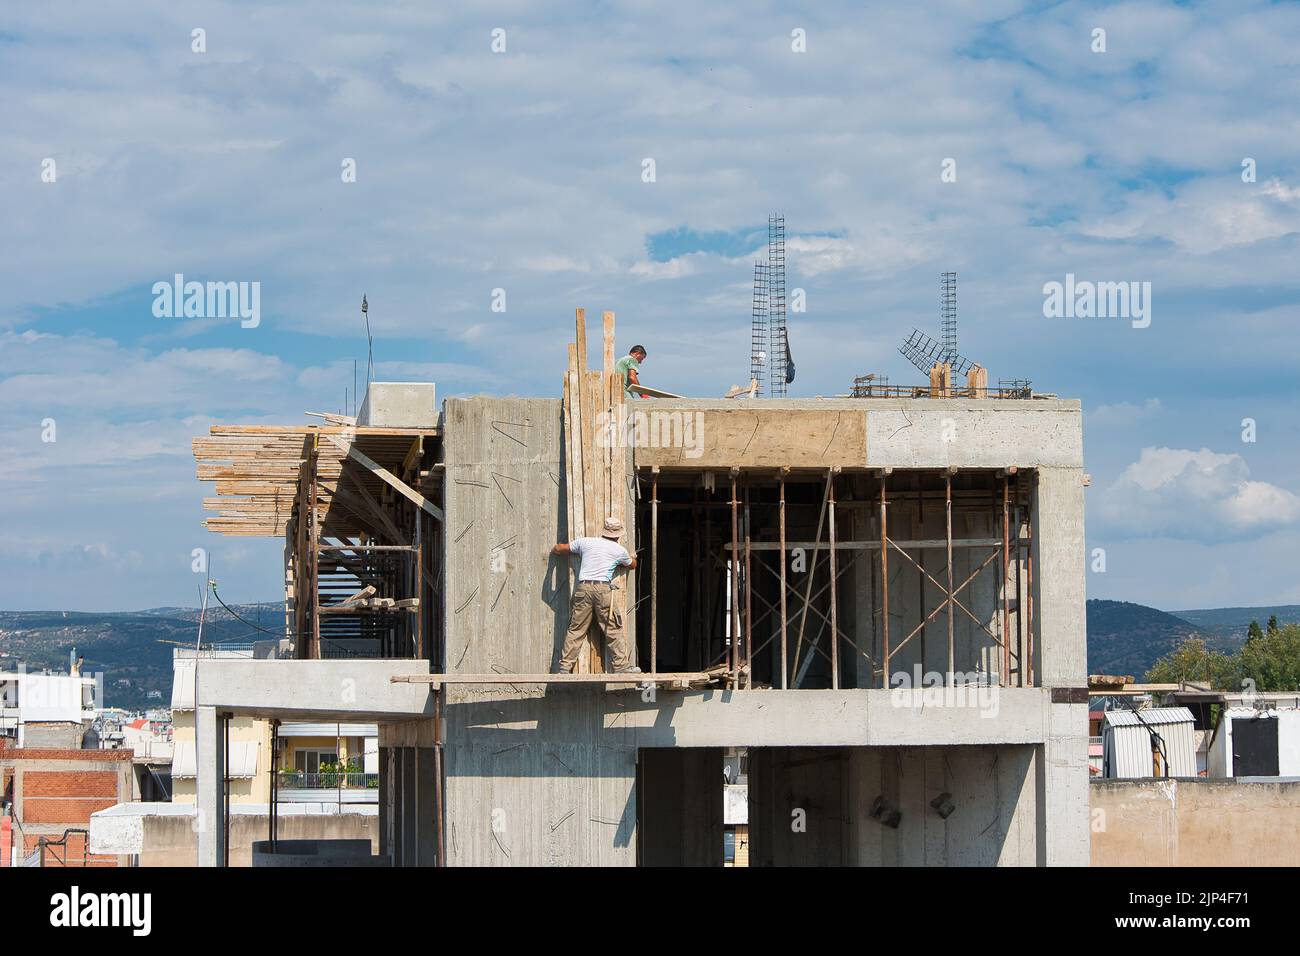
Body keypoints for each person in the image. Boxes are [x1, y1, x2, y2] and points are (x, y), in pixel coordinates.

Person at [552, 516, 640, 673]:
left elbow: (560, 549)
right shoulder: (619, 550)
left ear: (604, 531)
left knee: (576, 629)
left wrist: (555, 550)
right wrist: (632, 558)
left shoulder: (585, 542)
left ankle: (564, 667)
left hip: (583, 588)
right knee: (613, 628)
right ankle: (621, 667)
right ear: (618, 535)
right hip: (603, 590)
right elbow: (632, 565)